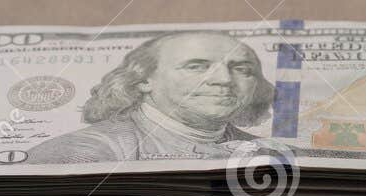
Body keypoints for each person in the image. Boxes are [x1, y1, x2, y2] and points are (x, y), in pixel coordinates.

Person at [26, 31, 274, 162]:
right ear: (144, 79)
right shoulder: (84, 152)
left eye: (242, 69)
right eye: (197, 66)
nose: (224, 80)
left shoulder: (274, 152)